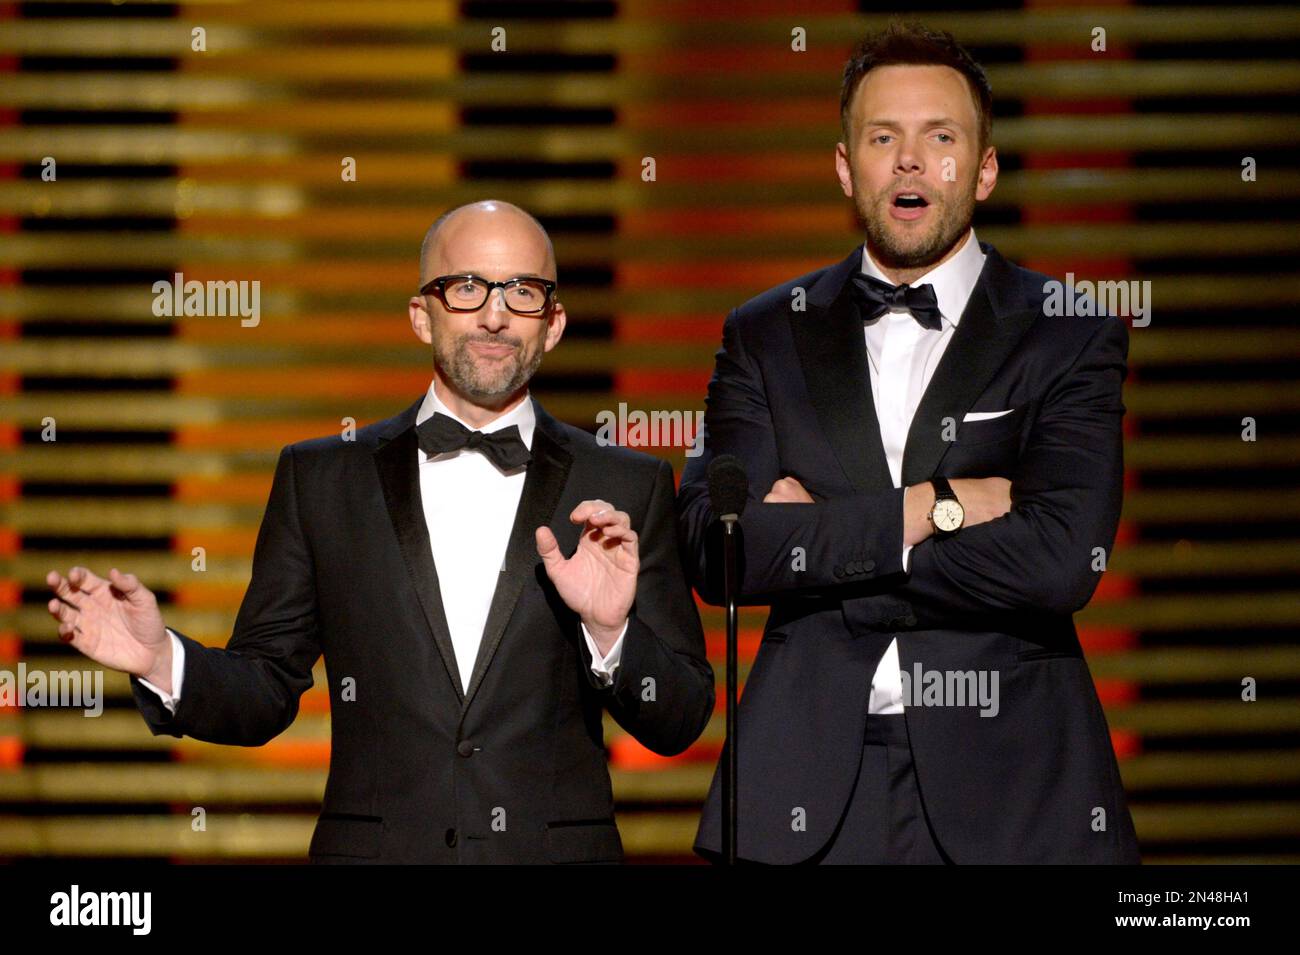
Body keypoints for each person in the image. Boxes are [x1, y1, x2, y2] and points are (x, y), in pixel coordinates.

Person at [46, 199, 714, 864]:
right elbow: (266, 685)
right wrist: (164, 658)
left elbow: (679, 717)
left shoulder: (629, 485)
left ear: (555, 322)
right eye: (467, 286)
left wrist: (611, 634)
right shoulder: (322, 479)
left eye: (523, 290)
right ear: (421, 315)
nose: (494, 313)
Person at [680, 22, 1140, 864]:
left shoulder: (1068, 332)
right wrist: (937, 509)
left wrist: (825, 541)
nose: (910, 161)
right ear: (846, 167)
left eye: (941, 137)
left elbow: (1062, 559)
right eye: (883, 137)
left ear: (986, 169)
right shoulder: (763, 334)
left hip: (1015, 793)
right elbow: (722, 550)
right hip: (801, 792)